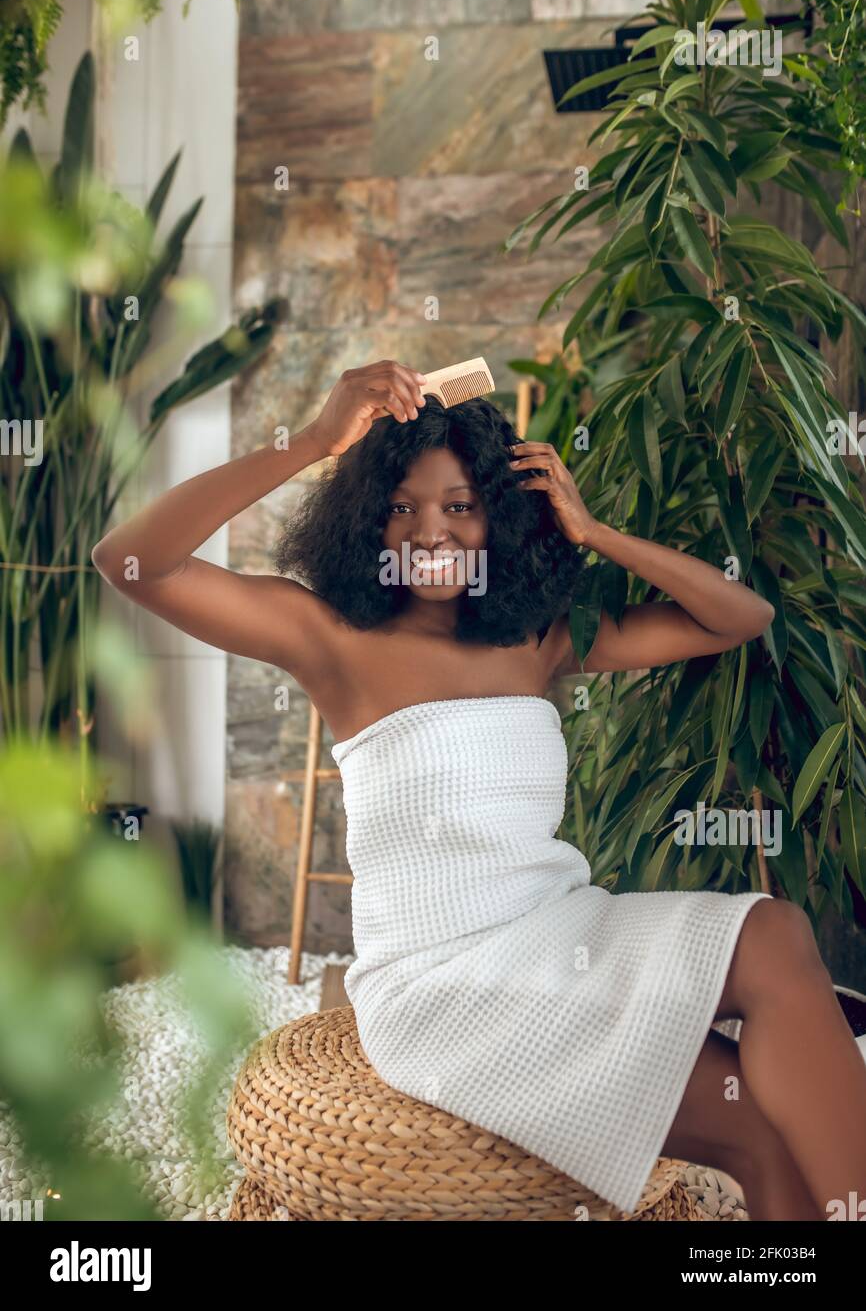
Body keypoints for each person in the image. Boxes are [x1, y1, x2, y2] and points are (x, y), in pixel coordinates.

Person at [93, 359, 866, 1221]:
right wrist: (313, 441)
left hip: (560, 932)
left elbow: (741, 618)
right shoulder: (328, 640)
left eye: (460, 506)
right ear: (369, 524)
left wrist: (595, 531)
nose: (434, 531)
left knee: (773, 947)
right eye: (404, 508)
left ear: (496, 517)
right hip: (443, 985)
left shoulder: (535, 641)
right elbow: (129, 562)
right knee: (752, 1121)